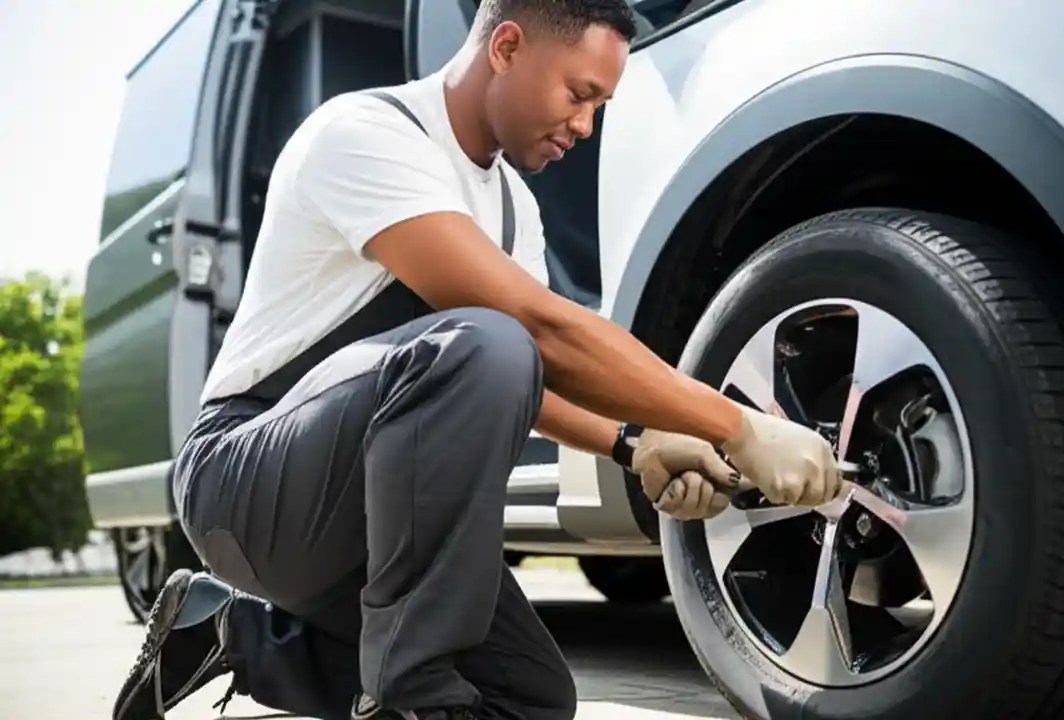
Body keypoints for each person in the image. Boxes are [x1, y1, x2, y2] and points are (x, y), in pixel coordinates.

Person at [111, 1, 841, 718]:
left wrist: (634, 443)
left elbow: (530, 375)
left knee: (530, 696)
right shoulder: (366, 134)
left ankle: (231, 635)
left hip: (376, 520)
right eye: (579, 94)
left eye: (600, 107)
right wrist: (735, 426)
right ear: (508, 46)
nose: (585, 126)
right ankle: (416, 691)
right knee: (491, 337)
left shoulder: (515, 209)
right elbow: (530, 333)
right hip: (249, 484)